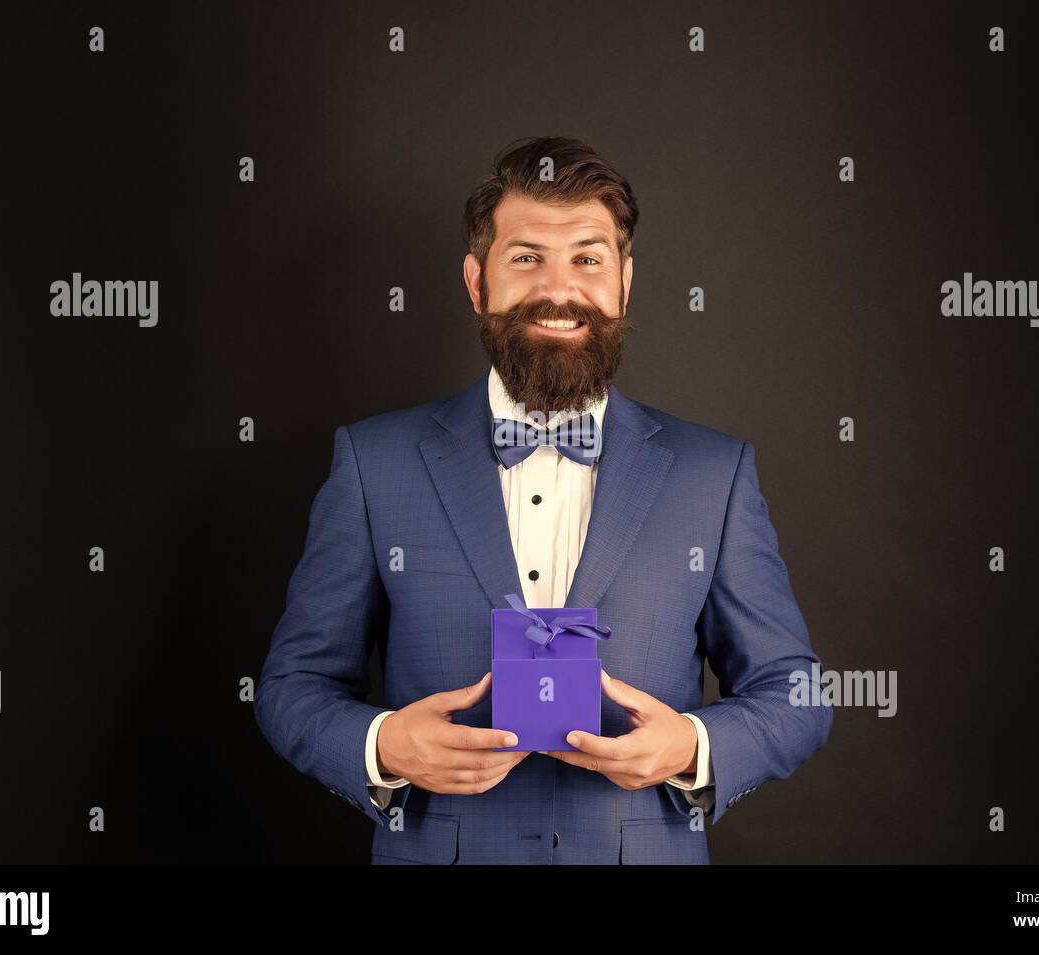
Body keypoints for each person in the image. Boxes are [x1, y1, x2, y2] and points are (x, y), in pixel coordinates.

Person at [254, 136, 832, 864]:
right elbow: (291, 687)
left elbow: (797, 694)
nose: (559, 289)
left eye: (587, 259)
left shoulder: (713, 474)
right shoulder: (374, 463)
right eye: (526, 257)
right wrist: (383, 745)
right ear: (476, 281)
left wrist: (693, 745)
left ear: (624, 279)